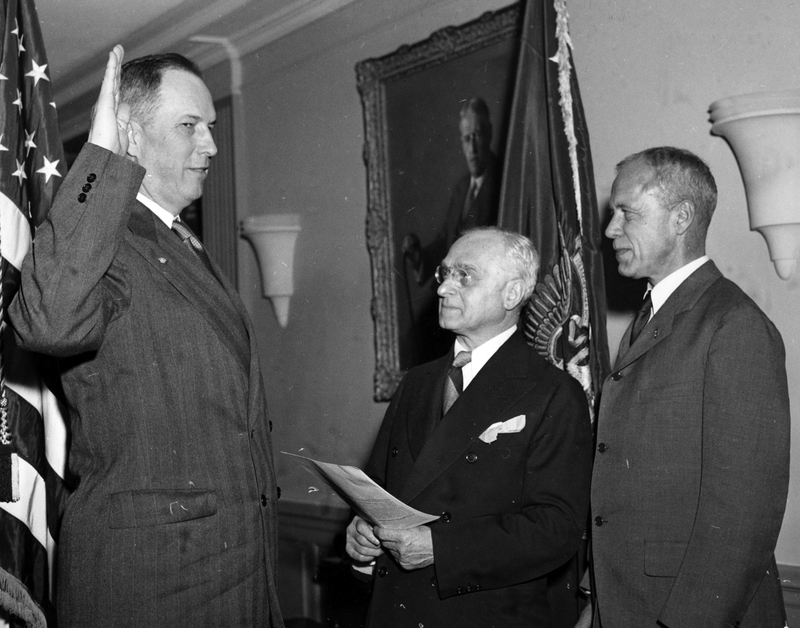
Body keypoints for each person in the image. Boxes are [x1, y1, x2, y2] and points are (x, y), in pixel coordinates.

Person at [8, 46, 284, 627]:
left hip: (233, 572)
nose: (209, 144)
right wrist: (102, 156)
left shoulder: (179, 242)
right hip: (154, 585)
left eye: (210, 126)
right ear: (130, 136)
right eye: (189, 126)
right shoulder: (106, 239)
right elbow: (47, 318)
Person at [347, 227, 593, 627]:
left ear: (512, 294)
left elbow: (555, 529)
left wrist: (441, 549)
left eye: (466, 275)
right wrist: (360, 534)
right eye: (444, 273)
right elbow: (377, 488)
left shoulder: (553, 393)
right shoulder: (418, 381)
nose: (443, 288)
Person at [585, 147, 790, 627]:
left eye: (626, 213)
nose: (611, 229)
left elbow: (744, 513)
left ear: (680, 218)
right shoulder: (652, 317)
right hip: (628, 604)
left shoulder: (733, 324)